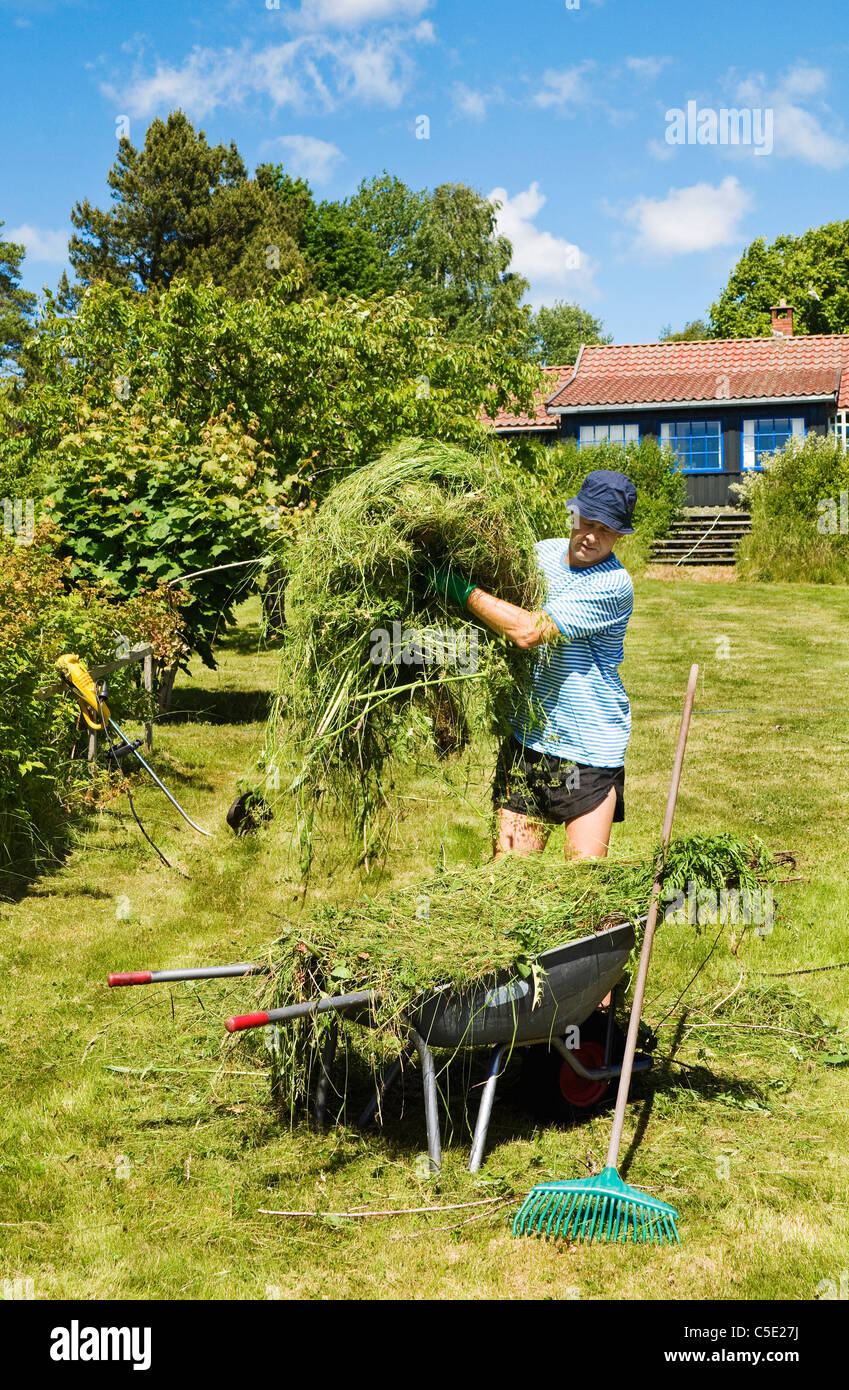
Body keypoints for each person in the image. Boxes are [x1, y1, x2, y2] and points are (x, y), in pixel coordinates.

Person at [428, 468, 636, 863]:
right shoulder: (540, 554)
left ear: (619, 536)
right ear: (573, 515)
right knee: (508, 882)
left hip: (588, 750)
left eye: (606, 529)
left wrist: (456, 588)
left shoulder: (612, 584)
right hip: (528, 740)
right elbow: (498, 603)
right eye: (586, 521)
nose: (591, 535)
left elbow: (527, 630)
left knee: (581, 892)